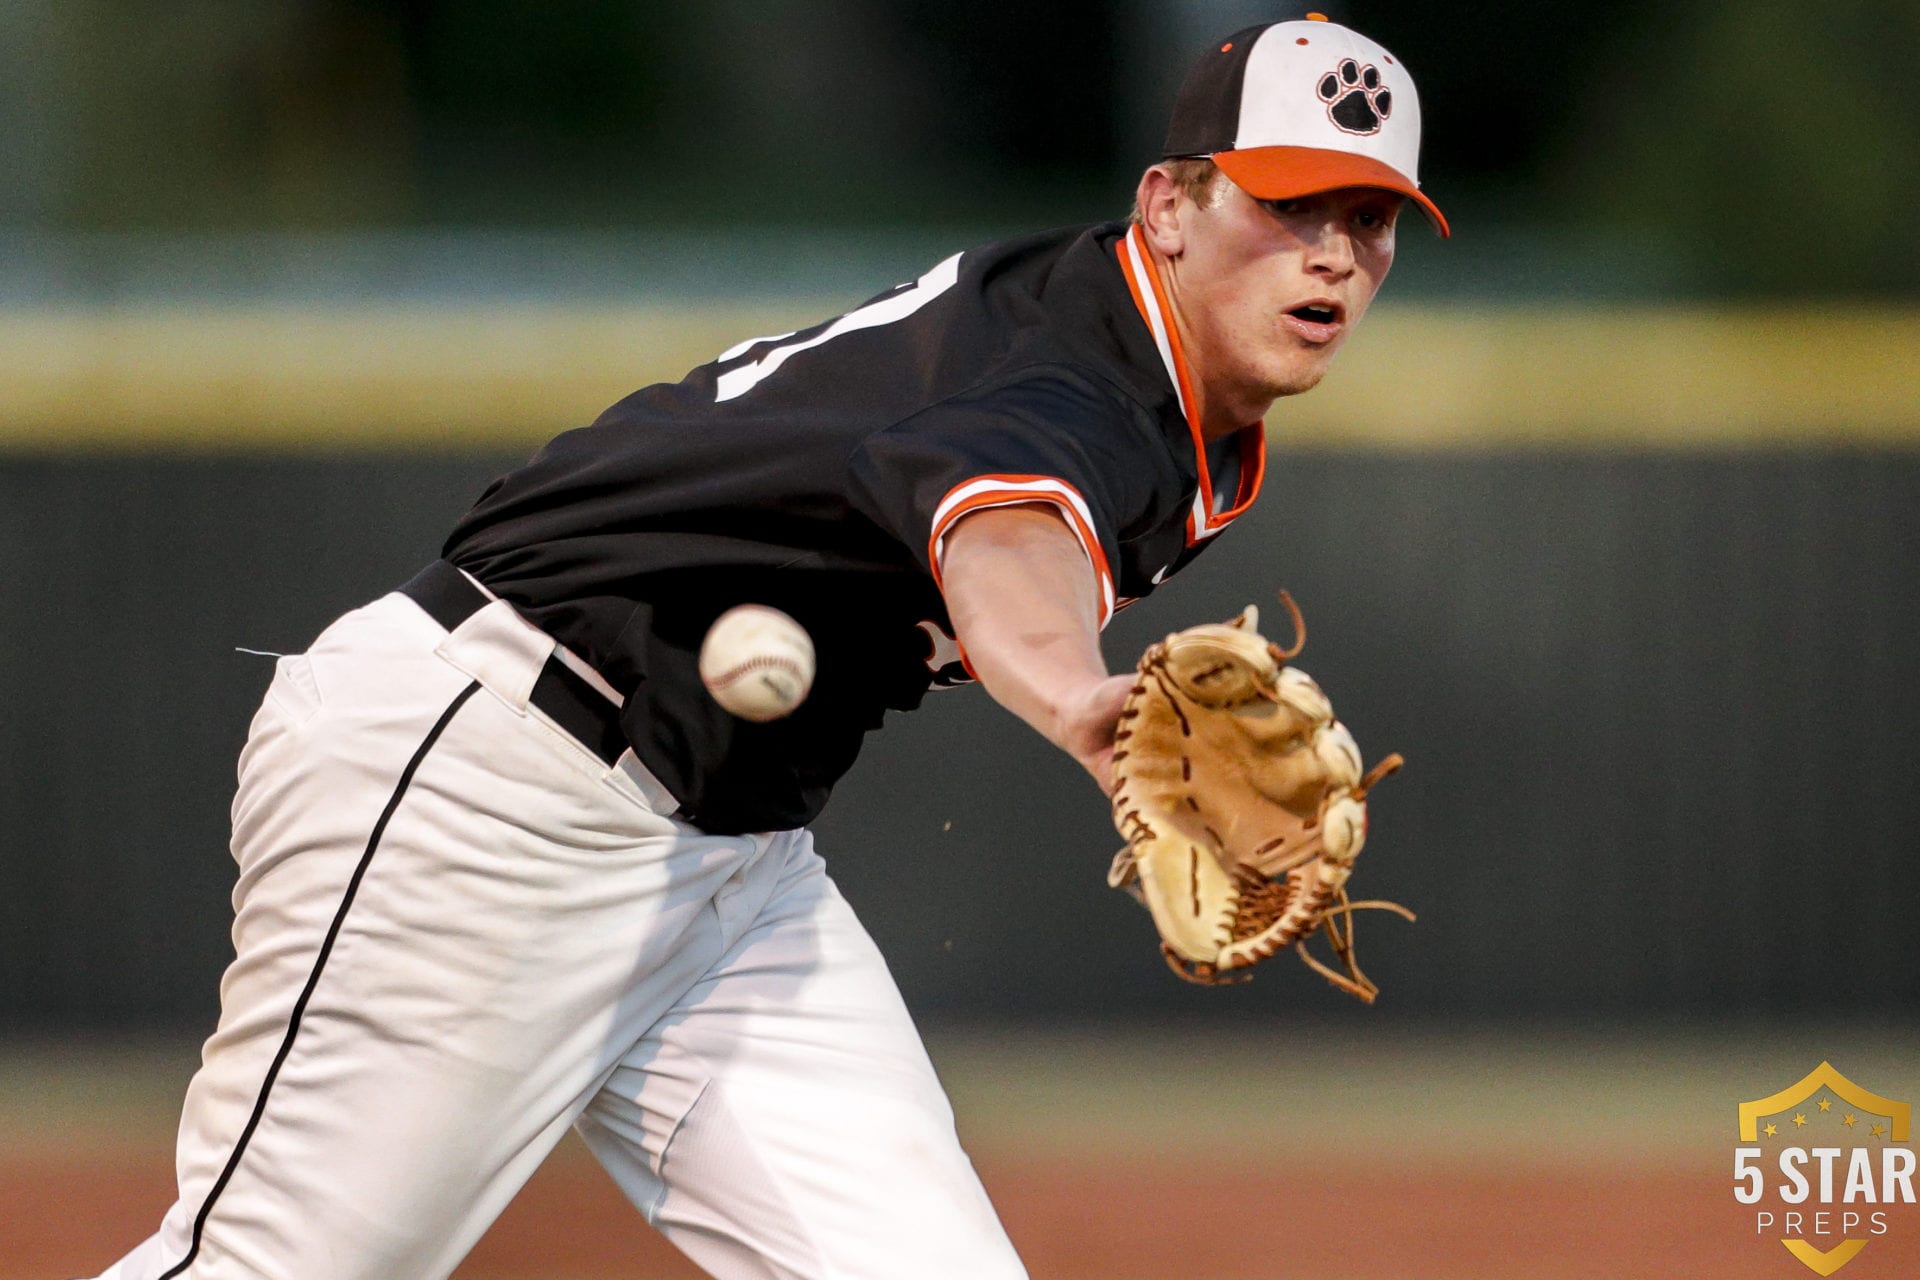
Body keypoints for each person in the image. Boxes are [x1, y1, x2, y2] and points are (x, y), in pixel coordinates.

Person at [91, 13, 1445, 1280]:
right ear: (1171, 203)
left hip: (727, 869)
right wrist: (1083, 700)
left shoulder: (1161, 380)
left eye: (1369, 219)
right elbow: (1004, 539)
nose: (1332, 252)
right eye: (1286, 204)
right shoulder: (1082, 378)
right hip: (493, 776)